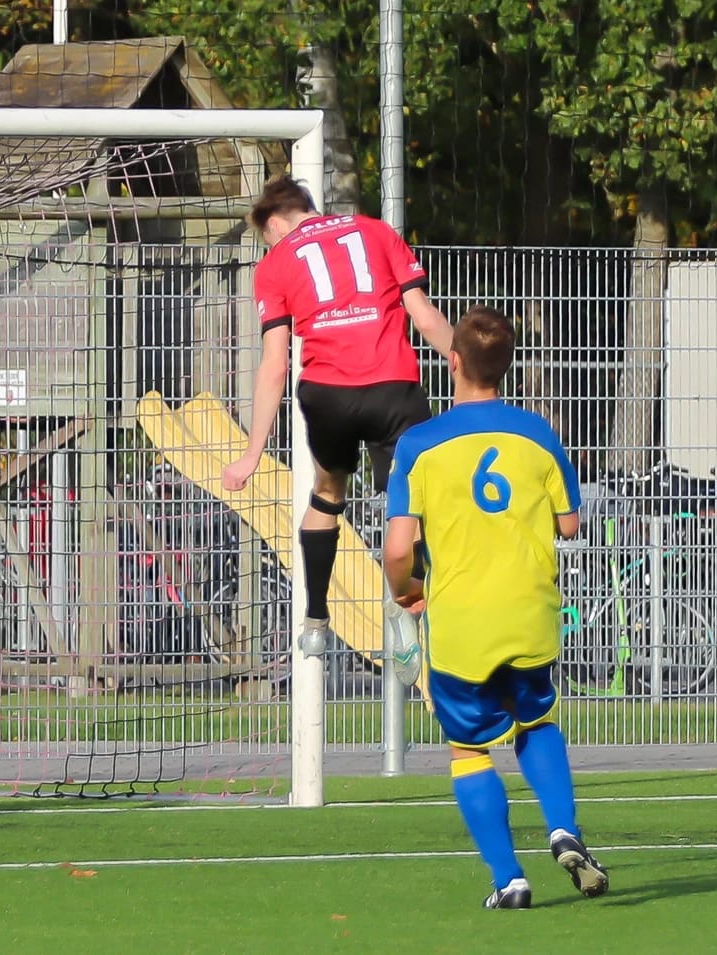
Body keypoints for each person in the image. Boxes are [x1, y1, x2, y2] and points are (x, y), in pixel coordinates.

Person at [382, 306, 608, 909]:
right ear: (506, 368)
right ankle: (563, 828)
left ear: (451, 361)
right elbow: (570, 522)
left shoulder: (419, 444)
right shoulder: (538, 432)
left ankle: (509, 879)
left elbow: (398, 549)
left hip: (461, 625)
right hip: (529, 612)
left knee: (469, 748)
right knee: (535, 720)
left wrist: (406, 590)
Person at [222, 175, 453, 656]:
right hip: (393, 385)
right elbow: (425, 316)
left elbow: (275, 363)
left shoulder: (275, 264)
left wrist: (251, 453)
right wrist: (471, 377)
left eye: (267, 236)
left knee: (327, 493)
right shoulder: (377, 231)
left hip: (328, 394)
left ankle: (315, 619)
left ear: (277, 221)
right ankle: (411, 607)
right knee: (411, 503)